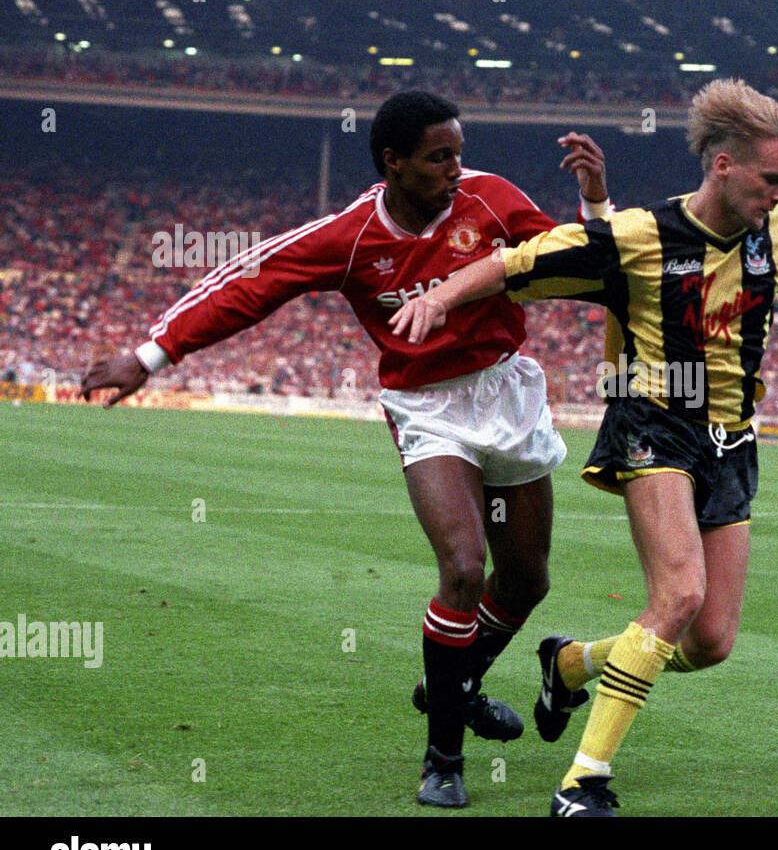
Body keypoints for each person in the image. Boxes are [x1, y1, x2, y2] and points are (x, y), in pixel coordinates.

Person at [389, 78, 778, 816]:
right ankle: (583, 780)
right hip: (653, 426)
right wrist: (439, 294)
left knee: (711, 639)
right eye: (771, 179)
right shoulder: (636, 236)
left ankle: (568, 664)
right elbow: (515, 263)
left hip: (733, 442)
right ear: (723, 165)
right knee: (679, 595)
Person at [79, 90, 610, 808]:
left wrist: (595, 206)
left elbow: (574, 266)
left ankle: (453, 684)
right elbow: (250, 284)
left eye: (458, 151)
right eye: (437, 156)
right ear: (392, 162)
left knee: (525, 581)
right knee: (462, 568)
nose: (456, 167)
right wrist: (150, 355)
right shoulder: (352, 235)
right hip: (428, 408)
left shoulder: (490, 200)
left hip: (508, 393)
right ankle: (443, 759)